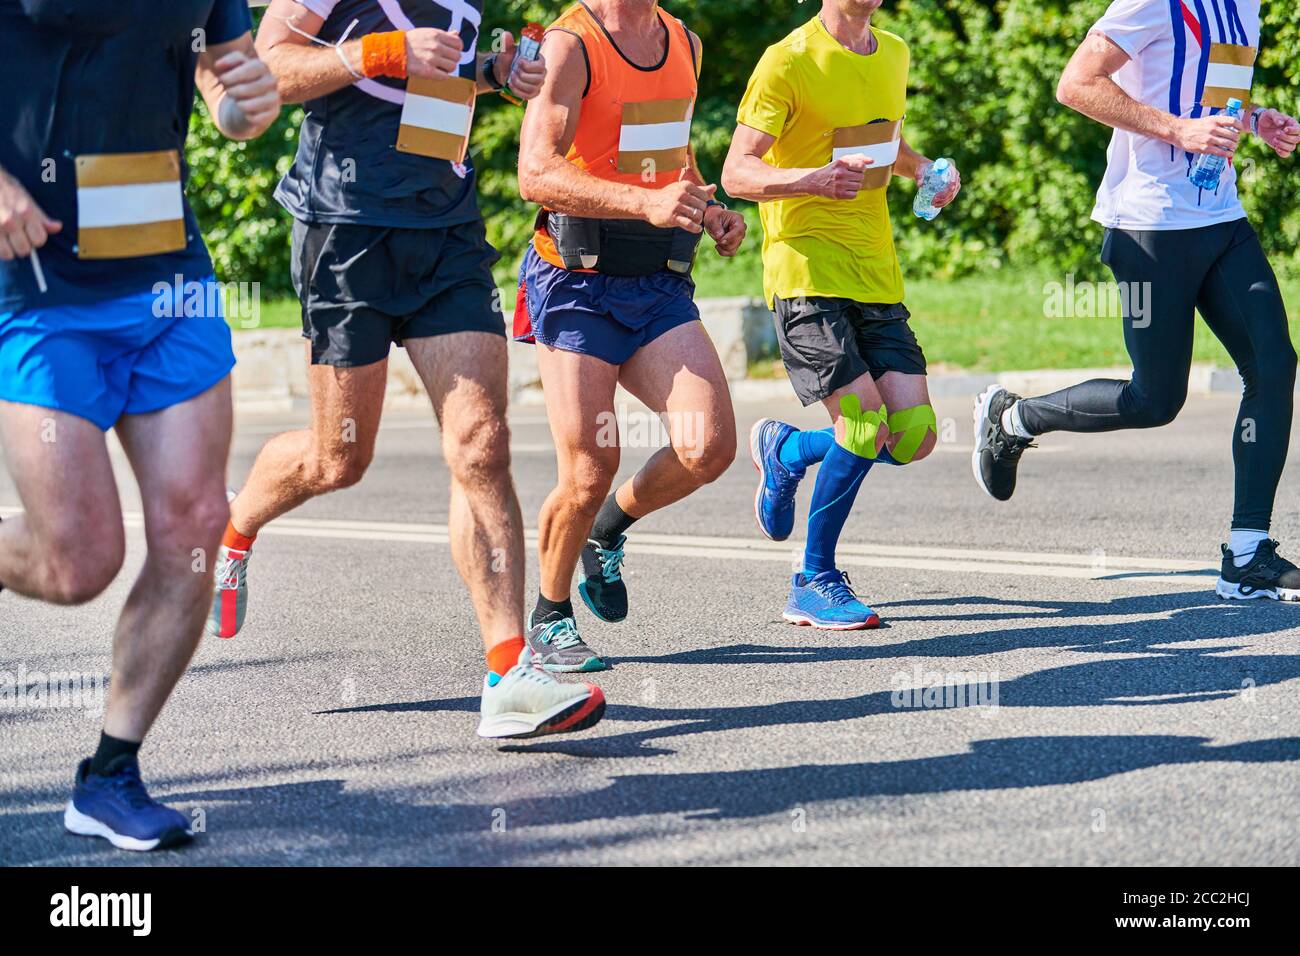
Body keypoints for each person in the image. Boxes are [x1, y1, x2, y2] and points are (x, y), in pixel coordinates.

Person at [212, 0, 605, 739]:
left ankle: (508, 671)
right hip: (346, 230)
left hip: (445, 230)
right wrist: (377, 53)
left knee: (481, 441)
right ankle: (232, 526)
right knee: (337, 460)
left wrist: (492, 72)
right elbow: (262, 72)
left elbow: (439, 79)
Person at [0, 0, 280, 850]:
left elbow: (221, 81)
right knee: (78, 559)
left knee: (195, 522)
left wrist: (246, 104)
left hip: (167, 270)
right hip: (35, 279)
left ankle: (111, 773)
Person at [972, 0, 1300, 602]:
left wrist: (1255, 122)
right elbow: (1076, 84)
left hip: (1221, 217)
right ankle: (1013, 418)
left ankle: (1248, 551)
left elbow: (1213, 96)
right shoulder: (1154, 3)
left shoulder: (1247, 7)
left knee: (1275, 366)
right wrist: (1180, 130)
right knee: (1155, 400)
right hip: (1149, 226)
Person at [514, 0, 746, 671]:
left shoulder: (684, 42)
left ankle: (608, 532)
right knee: (588, 467)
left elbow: (671, 153)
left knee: (709, 448)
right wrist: (642, 202)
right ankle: (550, 619)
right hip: (577, 282)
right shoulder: (569, 45)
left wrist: (706, 207)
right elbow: (536, 172)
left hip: (657, 283)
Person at [721, 0, 960, 629]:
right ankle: (813, 578)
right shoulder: (788, 61)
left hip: (874, 269)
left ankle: (789, 450)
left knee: (912, 438)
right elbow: (737, 172)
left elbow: (884, 142)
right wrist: (812, 182)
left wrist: (922, 169)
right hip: (805, 269)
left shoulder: (895, 53)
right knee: (861, 425)